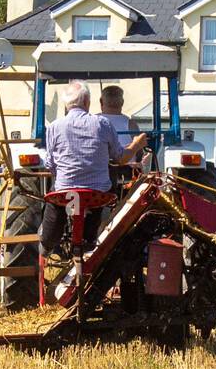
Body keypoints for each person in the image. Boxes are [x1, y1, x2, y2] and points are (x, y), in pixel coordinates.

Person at [40, 80, 146, 258]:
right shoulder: (103, 124)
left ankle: (49, 243)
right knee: (102, 191)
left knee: (55, 196)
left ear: (66, 105)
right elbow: (120, 158)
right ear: (88, 102)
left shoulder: (53, 127)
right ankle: (90, 240)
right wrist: (136, 144)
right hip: (97, 193)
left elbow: (50, 165)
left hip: (65, 191)